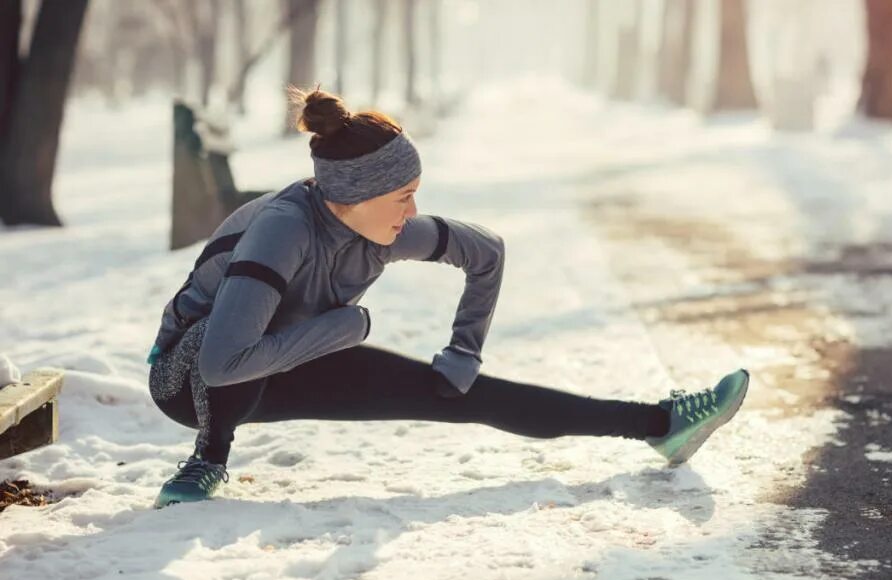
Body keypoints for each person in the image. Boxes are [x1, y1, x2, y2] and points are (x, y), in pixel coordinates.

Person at [146, 85, 750, 509]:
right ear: (354, 196)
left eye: (415, 193)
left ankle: (658, 423)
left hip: (287, 356)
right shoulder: (282, 230)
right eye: (402, 196)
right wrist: (346, 328)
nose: (412, 211)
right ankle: (208, 458)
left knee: (462, 395)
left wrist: (464, 351)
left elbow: (485, 251)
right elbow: (221, 360)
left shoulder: (378, 229)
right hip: (192, 380)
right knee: (228, 340)